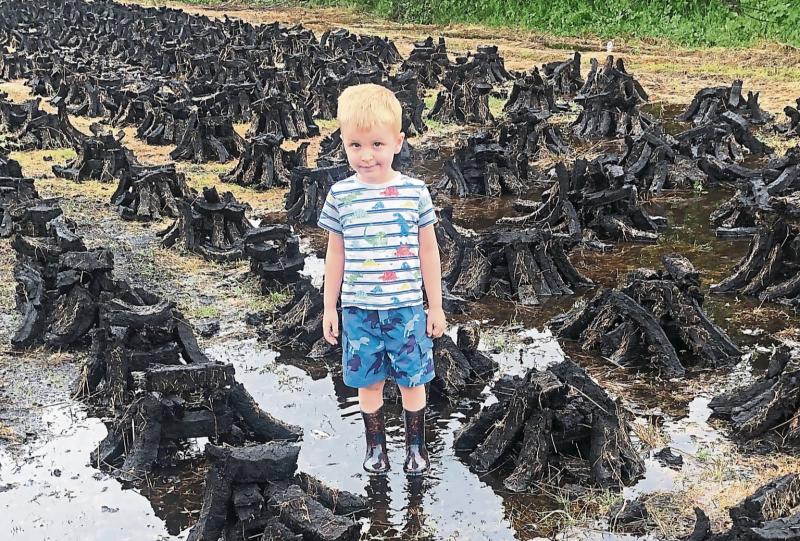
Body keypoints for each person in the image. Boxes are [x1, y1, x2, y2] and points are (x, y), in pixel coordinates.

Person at [317, 83, 446, 475]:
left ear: (398, 142)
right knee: (367, 382)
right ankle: (376, 447)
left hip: (405, 307)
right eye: (355, 145)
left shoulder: (414, 192)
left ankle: (416, 446)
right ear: (343, 143)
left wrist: (435, 305)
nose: (366, 155)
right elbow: (335, 253)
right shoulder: (340, 195)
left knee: (412, 379)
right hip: (359, 310)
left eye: (376, 143)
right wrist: (329, 305)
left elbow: (429, 251)